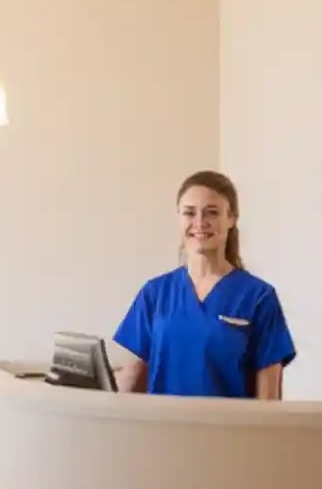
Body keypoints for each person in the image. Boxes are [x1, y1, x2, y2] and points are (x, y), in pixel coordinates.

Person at [113, 170, 296, 399]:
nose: (200, 223)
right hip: (164, 432)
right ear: (178, 217)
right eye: (189, 213)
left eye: (212, 213)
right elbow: (130, 382)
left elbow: (268, 402)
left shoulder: (259, 298)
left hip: (227, 433)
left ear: (231, 218)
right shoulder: (155, 293)